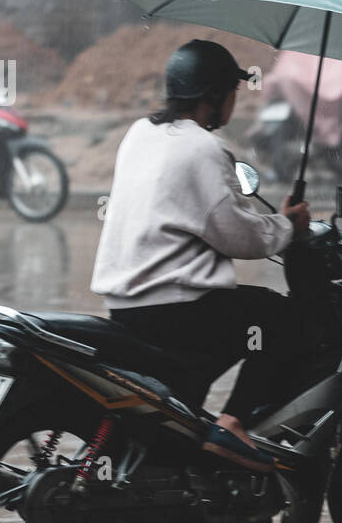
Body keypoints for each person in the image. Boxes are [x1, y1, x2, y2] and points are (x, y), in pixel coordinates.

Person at [91, 40, 311, 473]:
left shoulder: (140, 133)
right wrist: (288, 227)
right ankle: (232, 425)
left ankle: (186, 436)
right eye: (232, 90)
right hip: (175, 312)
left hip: (124, 309)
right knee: (280, 318)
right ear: (213, 96)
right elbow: (239, 236)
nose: (234, 99)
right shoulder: (204, 150)